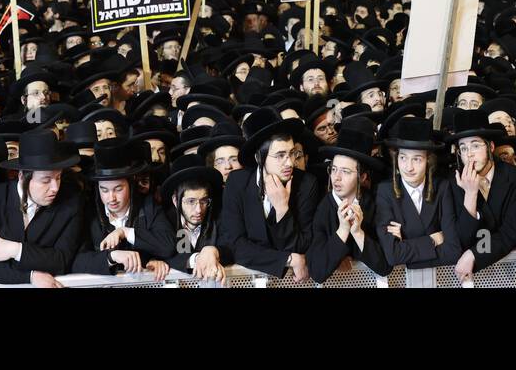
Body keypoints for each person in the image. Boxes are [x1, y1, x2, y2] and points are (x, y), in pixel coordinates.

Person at [0, 129, 84, 287]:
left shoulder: (71, 203)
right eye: (45, 180)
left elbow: (62, 260)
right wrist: (30, 277)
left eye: (58, 177)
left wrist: (17, 250)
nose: (55, 187)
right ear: (22, 176)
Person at [220, 108, 322, 280]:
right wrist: (287, 259)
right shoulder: (237, 183)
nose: (289, 162)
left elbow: (304, 244)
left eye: (292, 153)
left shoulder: (307, 183)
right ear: (259, 157)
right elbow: (235, 244)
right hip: (247, 279)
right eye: (280, 155)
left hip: (295, 281)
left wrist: (282, 210)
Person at [71, 138, 173, 279]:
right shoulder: (89, 213)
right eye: (104, 190)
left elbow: (168, 245)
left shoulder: (149, 206)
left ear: (131, 186)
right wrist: (111, 256)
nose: (111, 198)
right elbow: (76, 261)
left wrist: (125, 232)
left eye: (118, 189)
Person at [306, 124, 391, 282]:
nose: (336, 177)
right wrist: (343, 231)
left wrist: (358, 233)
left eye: (345, 171)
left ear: (363, 177)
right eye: (333, 169)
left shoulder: (376, 204)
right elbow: (317, 272)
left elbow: (385, 266)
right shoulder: (322, 208)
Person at [376, 117, 463, 269]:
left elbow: (453, 251)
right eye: (403, 158)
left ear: (428, 161)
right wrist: (433, 240)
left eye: (417, 159)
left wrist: (406, 249)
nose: (408, 167)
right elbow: (392, 255)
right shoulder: (385, 191)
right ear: (396, 159)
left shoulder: (442, 188)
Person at [449, 109, 516, 278]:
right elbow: (462, 239)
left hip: (509, 268)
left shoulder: (513, 176)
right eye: (463, 147)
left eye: (475, 145)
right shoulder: (453, 182)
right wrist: (470, 194)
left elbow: (510, 232)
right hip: (466, 274)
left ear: (491, 146)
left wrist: (474, 254)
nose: (469, 154)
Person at [161, 157, 231, 281]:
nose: (199, 209)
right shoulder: (164, 221)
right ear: (175, 201)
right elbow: (164, 253)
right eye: (191, 201)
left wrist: (214, 251)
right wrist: (198, 258)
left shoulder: (219, 216)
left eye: (204, 201)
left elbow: (233, 246)